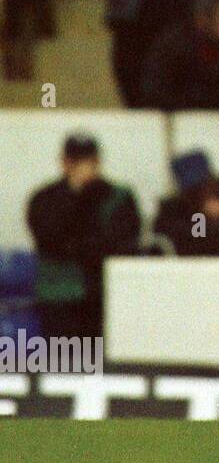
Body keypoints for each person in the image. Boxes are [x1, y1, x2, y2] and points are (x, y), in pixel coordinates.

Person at [26, 135, 140, 340]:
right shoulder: (44, 198)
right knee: (63, 357)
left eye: (89, 161)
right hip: (59, 295)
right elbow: (50, 240)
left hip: (103, 295)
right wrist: (78, 197)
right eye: (76, 162)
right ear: (64, 163)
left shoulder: (119, 197)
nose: (83, 168)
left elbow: (122, 243)